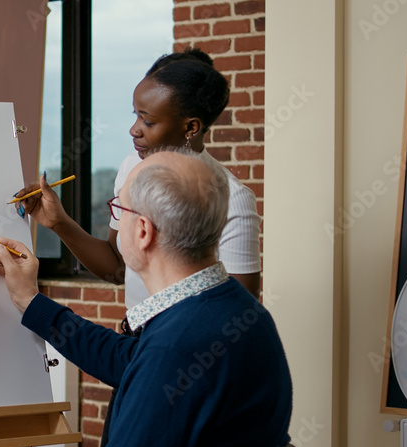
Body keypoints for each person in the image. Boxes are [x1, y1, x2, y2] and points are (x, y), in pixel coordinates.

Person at [0, 148, 291, 447]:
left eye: (118, 209)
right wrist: (31, 302)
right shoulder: (237, 313)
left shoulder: (177, 347)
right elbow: (129, 361)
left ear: (142, 231)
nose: (115, 220)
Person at [16, 48, 261, 300]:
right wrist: (59, 223)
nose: (134, 130)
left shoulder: (233, 198)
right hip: (135, 327)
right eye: (136, 116)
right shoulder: (131, 168)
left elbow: (239, 309)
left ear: (191, 127)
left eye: (148, 121)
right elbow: (118, 267)